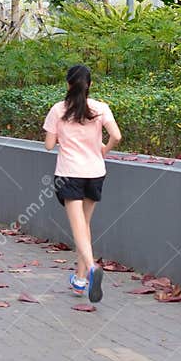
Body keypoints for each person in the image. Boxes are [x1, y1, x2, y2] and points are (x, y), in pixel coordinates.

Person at [42, 64, 122, 304]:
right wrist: (104, 150)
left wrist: (63, 137)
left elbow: (49, 145)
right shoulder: (100, 108)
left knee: (78, 227)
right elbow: (117, 136)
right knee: (84, 225)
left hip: (69, 173)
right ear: (90, 85)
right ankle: (80, 279)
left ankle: (91, 267)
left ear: (68, 84)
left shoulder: (58, 109)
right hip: (95, 172)